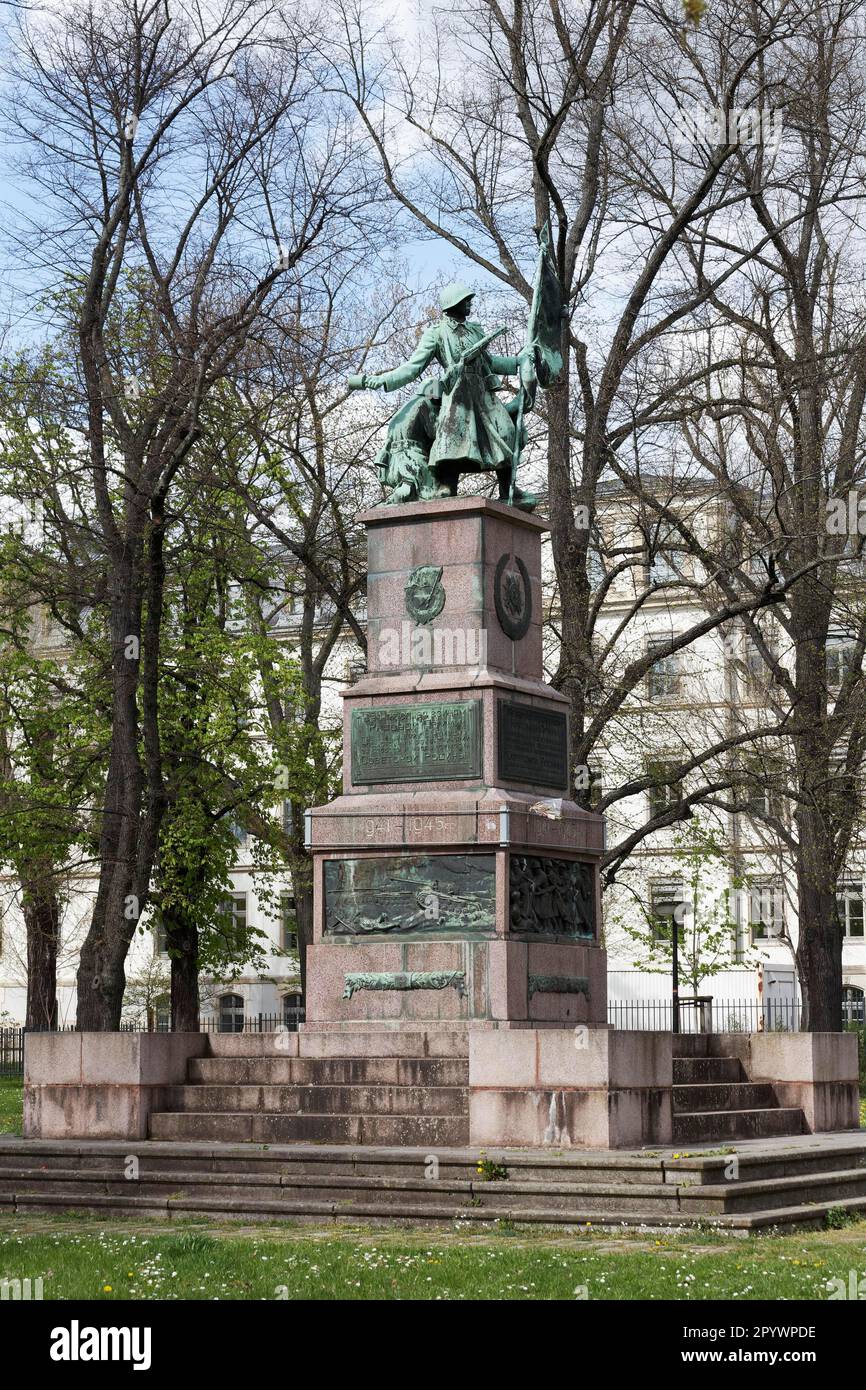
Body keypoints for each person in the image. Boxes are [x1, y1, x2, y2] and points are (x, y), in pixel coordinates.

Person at [349, 283, 537, 509]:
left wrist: (519, 361)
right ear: (453, 303)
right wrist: (375, 381)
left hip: (482, 394)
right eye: (465, 300)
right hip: (457, 394)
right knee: (452, 439)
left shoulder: (475, 330)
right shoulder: (436, 333)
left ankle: (508, 489)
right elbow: (412, 368)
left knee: (507, 431)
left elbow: (489, 362)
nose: (470, 303)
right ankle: (447, 487)